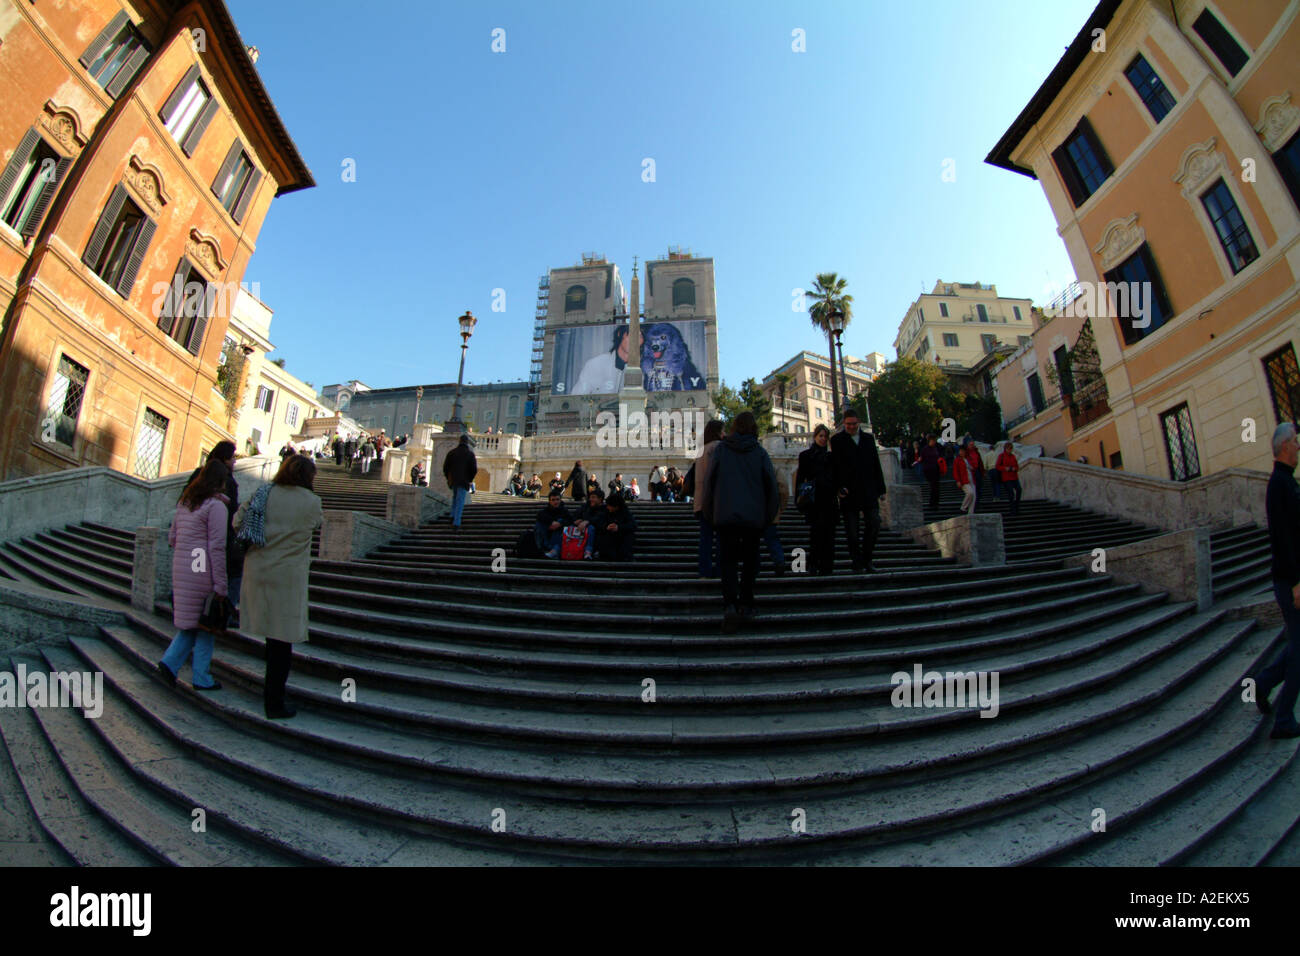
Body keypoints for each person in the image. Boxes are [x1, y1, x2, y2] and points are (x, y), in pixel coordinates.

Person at [233, 453, 323, 719]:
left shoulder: (264, 492)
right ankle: (274, 703)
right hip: (287, 578)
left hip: (258, 570)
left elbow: (238, 522)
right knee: (281, 645)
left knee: (272, 641)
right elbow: (316, 524)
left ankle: (272, 698)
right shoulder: (312, 502)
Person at [158, 458, 230, 691]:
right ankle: (201, 677)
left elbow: (172, 538)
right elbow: (217, 546)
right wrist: (221, 584)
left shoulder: (186, 502)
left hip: (183, 566)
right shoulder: (216, 506)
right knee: (207, 625)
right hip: (202, 569)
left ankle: (170, 663)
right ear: (221, 481)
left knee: (192, 623)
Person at [708, 411, 779, 630]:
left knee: (727, 562)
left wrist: (711, 513)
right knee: (750, 562)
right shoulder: (760, 453)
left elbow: (710, 481)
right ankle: (747, 603)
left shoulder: (721, 450)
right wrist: (768, 516)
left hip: (726, 516)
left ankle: (730, 604)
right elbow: (772, 486)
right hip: (753, 517)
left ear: (734, 428)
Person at [1254, 424, 1300, 739]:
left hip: (1293, 579)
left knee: (1299, 646)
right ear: (1284, 445)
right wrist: (1296, 583)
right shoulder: (1278, 485)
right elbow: (1282, 539)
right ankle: (1283, 719)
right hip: (1291, 582)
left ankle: (1263, 682)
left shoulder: (1288, 482)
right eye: (1296, 441)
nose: (1299, 446)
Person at [184, 441, 243, 623]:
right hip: (215, 541)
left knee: (197, 574)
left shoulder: (195, 480)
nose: (234, 461)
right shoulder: (220, 501)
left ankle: (190, 606)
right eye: (232, 457)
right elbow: (227, 523)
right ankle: (222, 611)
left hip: (194, 542)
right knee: (232, 572)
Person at [831, 407, 887, 574]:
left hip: (868, 489)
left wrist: (881, 488)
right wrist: (838, 488)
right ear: (844, 424)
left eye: (854, 424)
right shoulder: (837, 440)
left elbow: (876, 464)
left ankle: (867, 558)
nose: (851, 427)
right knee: (852, 532)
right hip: (849, 492)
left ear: (859, 423)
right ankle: (856, 561)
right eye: (848, 424)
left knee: (874, 524)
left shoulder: (869, 439)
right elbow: (835, 467)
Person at [796, 424, 838, 576]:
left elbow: (837, 477)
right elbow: (800, 479)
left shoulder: (831, 457)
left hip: (830, 499)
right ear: (815, 437)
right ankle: (813, 564)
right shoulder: (806, 456)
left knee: (830, 535)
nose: (823, 439)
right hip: (814, 500)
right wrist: (799, 500)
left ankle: (827, 566)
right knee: (816, 534)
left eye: (825, 436)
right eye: (820, 436)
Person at [691, 420, 725, 578]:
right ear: (718, 432)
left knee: (705, 539)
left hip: (701, 501)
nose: (725, 434)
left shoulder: (702, 450)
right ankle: (719, 570)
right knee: (720, 539)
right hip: (717, 500)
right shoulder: (718, 447)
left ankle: (704, 571)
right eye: (723, 431)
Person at [572, 325, 641, 395]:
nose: (635, 340)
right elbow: (576, 397)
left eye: (640, 336)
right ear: (620, 334)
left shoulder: (639, 370)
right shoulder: (595, 364)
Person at [442, 434, 478, 529]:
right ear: (466, 442)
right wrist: (470, 479)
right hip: (464, 480)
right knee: (460, 500)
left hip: (453, 479)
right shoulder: (470, 454)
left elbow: (445, 467)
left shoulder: (452, 452)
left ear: (459, 441)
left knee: (455, 497)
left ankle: (452, 515)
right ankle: (456, 522)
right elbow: (474, 469)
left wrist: (448, 477)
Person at [596, 491, 637, 561]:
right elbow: (599, 523)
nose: (607, 507)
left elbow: (633, 525)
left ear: (616, 506)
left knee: (628, 536)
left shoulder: (625, 513)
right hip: (608, 536)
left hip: (621, 537)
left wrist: (619, 527)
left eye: (609, 505)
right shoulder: (605, 512)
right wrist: (607, 527)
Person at [534, 491, 572, 558]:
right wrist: (551, 522)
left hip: (559, 534)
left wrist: (560, 524)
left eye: (557, 499)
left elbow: (571, 520)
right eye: (553, 500)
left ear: (560, 500)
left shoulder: (564, 510)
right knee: (539, 524)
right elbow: (540, 515)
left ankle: (554, 549)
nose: (555, 502)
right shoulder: (545, 511)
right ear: (549, 501)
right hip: (548, 533)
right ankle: (542, 548)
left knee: (561, 521)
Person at [574, 488, 607, 559]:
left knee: (591, 528)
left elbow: (599, 519)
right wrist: (576, 521)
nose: (590, 499)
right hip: (582, 532)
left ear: (600, 499)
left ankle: (588, 551)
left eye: (593, 497)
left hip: (597, 535)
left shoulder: (605, 509)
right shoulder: (586, 506)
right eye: (590, 497)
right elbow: (575, 515)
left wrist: (587, 521)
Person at [996, 442, 1022, 516]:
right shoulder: (1001, 456)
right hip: (1006, 478)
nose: (1010, 450)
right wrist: (1005, 468)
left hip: (1014, 477)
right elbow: (997, 466)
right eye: (1008, 448)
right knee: (1011, 493)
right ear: (1005, 448)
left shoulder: (1013, 456)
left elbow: (1017, 466)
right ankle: (1013, 509)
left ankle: (1016, 506)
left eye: (1011, 448)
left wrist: (1014, 469)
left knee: (1019, 490)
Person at [919, 434, 943, 511]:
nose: (934, 442)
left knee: (936, 487)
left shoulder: (935, 448)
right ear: (929, 441)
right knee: (933, 487)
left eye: (934, 441)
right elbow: (921, 459)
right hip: (929, 470)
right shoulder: (925, 449)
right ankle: (932, 503)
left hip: (936, 469)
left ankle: (936, 503)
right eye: (933, 441)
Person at [954, 438, 977, 515]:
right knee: (970, 493)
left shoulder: (968, 459)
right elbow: (955, 471)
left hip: (971, 479)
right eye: (960, 451)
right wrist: (958, 480)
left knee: (973, 498)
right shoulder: (957, 460)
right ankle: (963, 507)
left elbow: (973, 466)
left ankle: (971, 513)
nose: (962, 452)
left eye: (963, 451)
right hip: (964, 480)